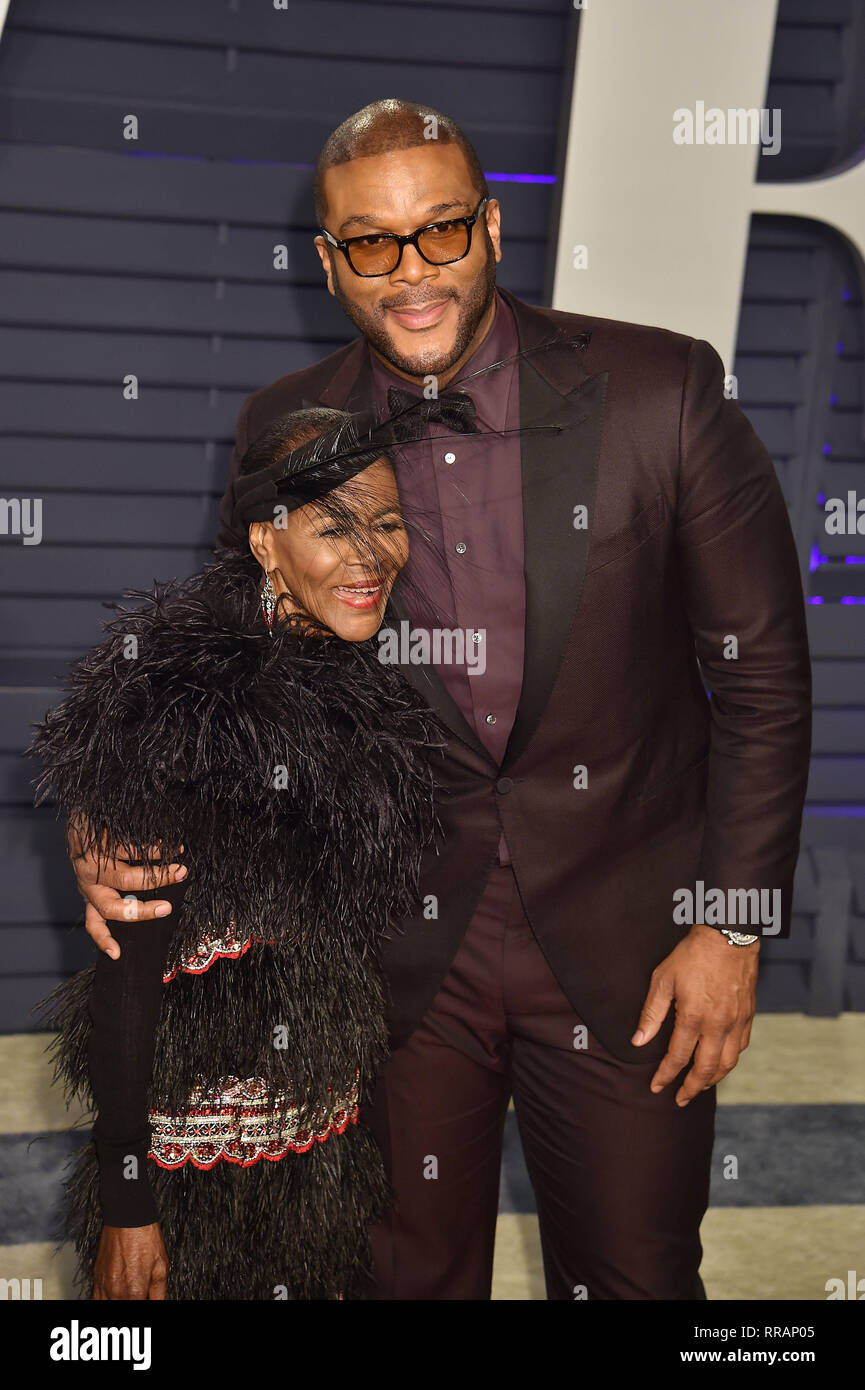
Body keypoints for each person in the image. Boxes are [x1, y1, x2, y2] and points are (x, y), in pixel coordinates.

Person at [68, 99, 812, 1300]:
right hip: (390, 955)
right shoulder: (285, 426)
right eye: (372, 242)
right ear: (327, 260)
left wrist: (729, 925)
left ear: (494, 227)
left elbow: (762, 676)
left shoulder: (661, 390)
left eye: (441, 231)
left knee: (636, 1276)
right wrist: (109, 815)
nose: (412, 272)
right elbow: (229, 677)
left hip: (632, 945)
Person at [31, 407, 444, 1300]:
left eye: (385, 521)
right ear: (267, 541)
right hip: (191, 1190)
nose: (370, 554)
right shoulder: (178, 709)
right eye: (333, 525)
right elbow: (125, 975)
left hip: (318, 1158)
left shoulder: (363, 689)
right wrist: (128, 1206)